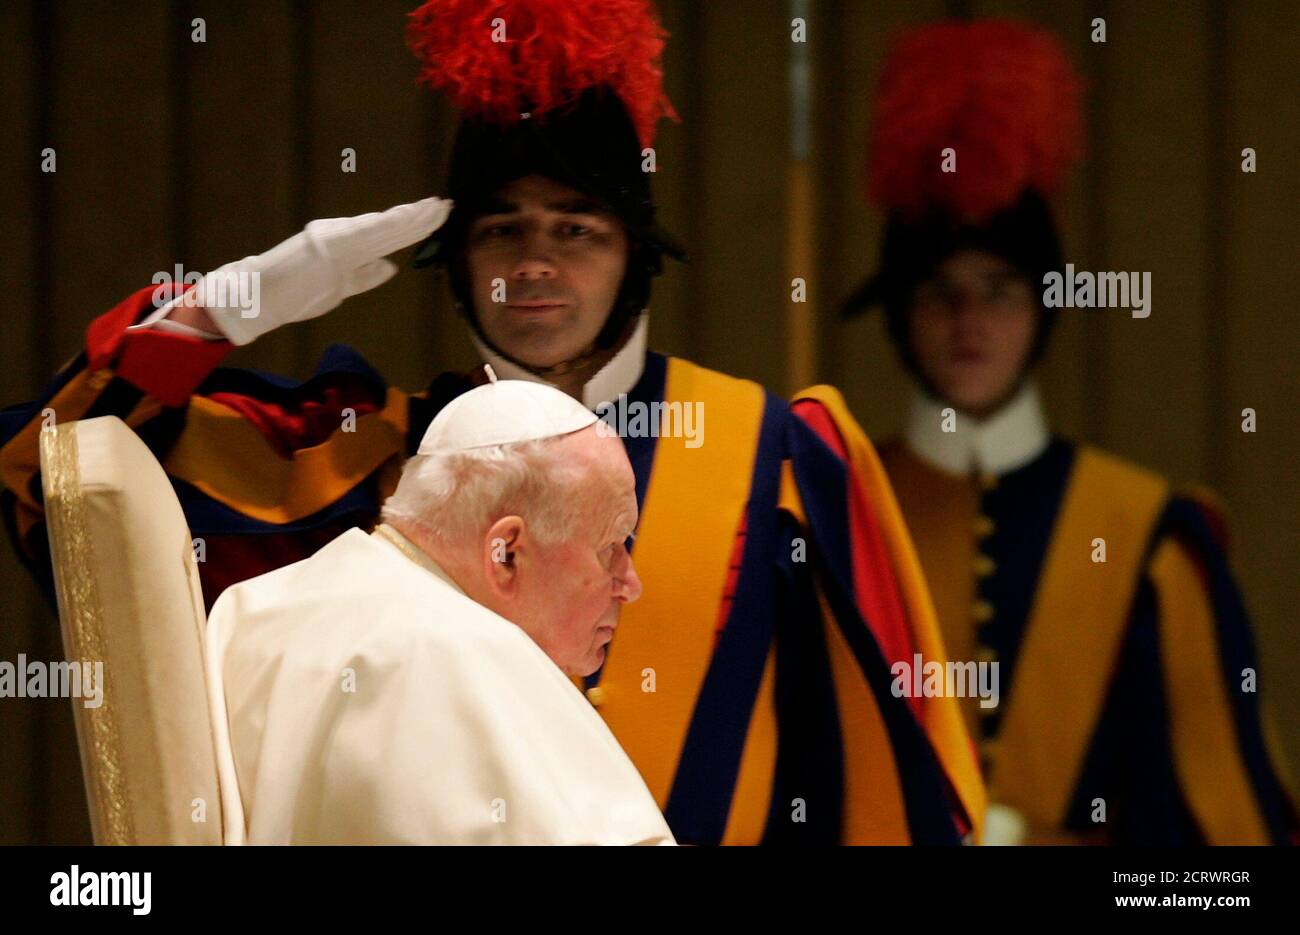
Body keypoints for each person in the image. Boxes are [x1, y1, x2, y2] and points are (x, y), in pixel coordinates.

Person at [1, 0, 981, 844]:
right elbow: (60, 479)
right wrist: (217, 313)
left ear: (636, 253)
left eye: (577, 227)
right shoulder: (363, 452)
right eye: (501, 227)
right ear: (455, 257)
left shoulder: (777, 457)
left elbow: (881, 782)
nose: (537, 261)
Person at [843, 18, 1296, 844]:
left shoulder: (1150, 538)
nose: (970, 320)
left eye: (1000, 289)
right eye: (940, 291)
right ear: (901, 312)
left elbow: (1223, 836)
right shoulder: (838, 509)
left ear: (1042, 306)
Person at [207, 375, 673, 844]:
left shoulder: (255, 607)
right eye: (610, 546)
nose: (630, 585)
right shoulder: (454, 656)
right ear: (507, 554)